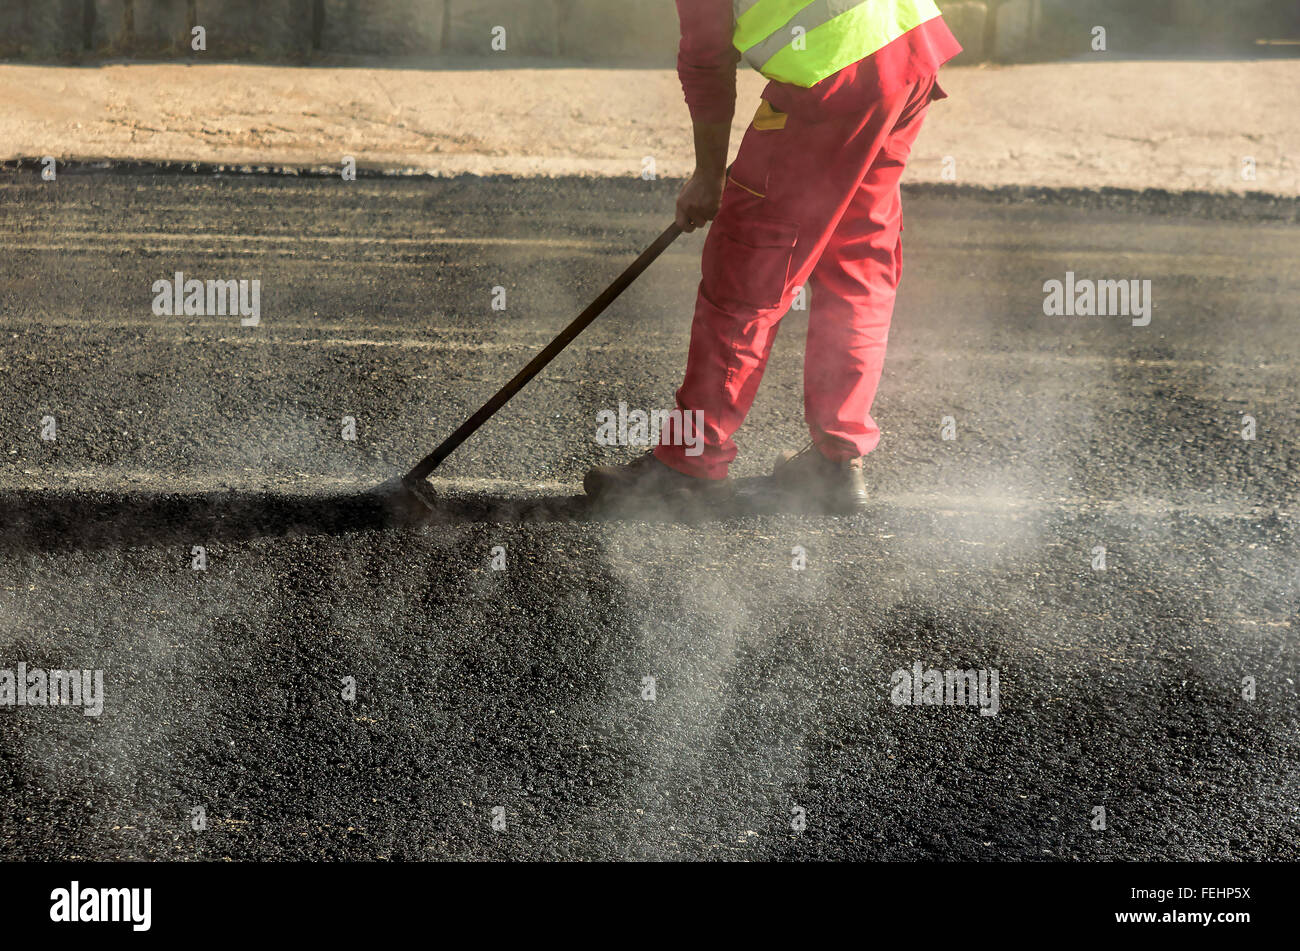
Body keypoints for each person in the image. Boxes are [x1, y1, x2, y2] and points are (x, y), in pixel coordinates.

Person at [584, 0, 961, 511]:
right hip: (907, 47)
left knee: (749, 269)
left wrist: (709, 175)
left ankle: (689, 466)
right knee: (857, 263)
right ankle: (836, 461)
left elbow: (706, 60)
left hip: (831, 83)